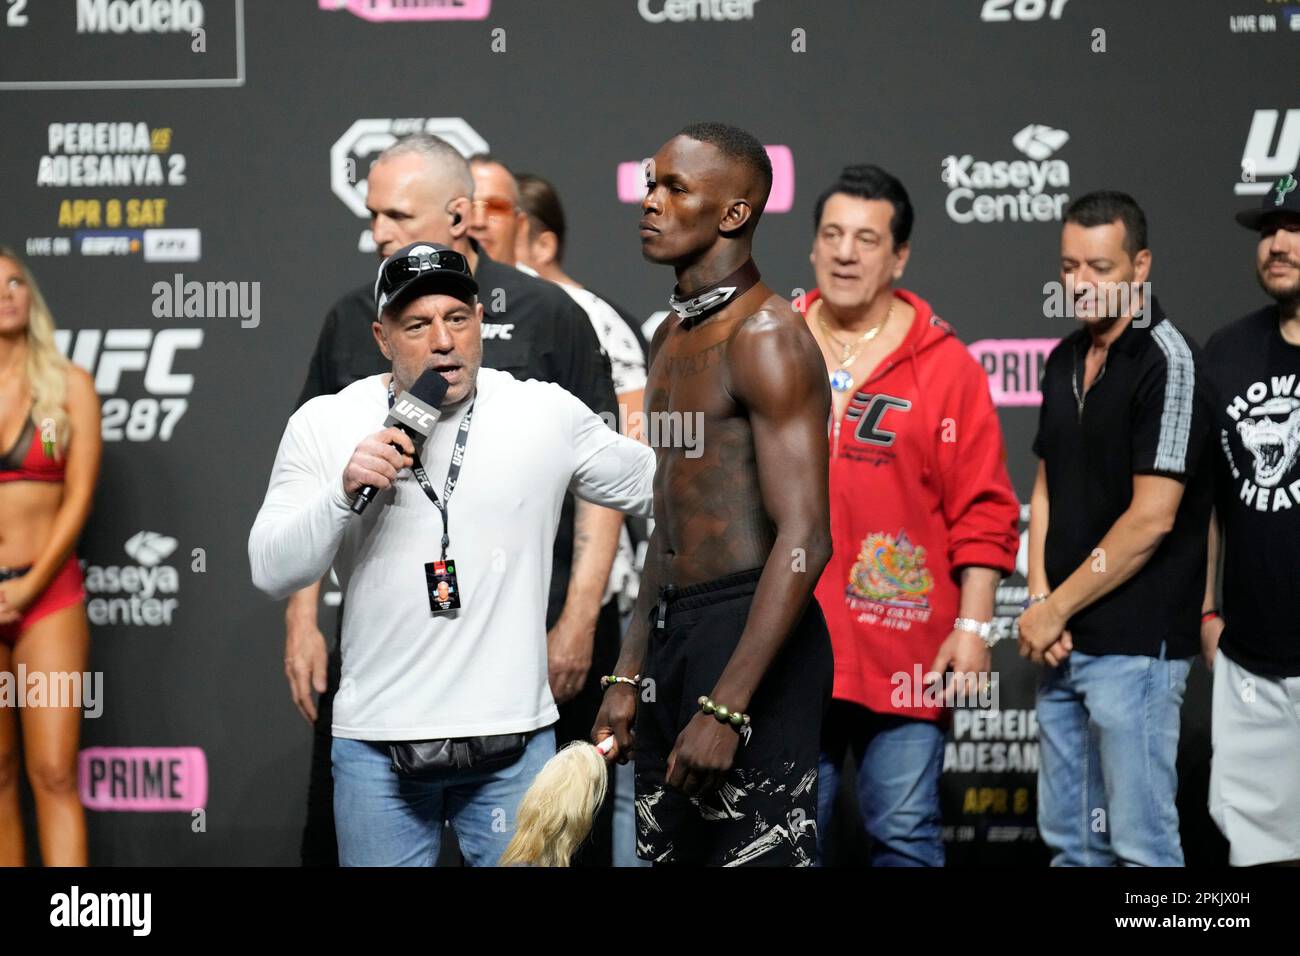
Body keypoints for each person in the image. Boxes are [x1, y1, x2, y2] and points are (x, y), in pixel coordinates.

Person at [249, 243, 654, 867]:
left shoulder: (542, 411)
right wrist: (341, 493)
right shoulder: (327, 423)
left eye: (458, 319)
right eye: (417, 325)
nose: (443, 341)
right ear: (383, 338)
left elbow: (661, 490)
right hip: (377, 749)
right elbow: (272, 569)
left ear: (480, 320)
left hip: (515, 744)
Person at [592, 122, 834, 867]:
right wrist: (629, 672)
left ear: (733, 213)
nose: (650, 202)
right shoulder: (669, 337)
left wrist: (728, 705)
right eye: (649, 183)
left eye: (675, 188)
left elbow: (805, 538)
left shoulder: (767, 336)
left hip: (752, 631)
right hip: (674, 632)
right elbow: (669, 517)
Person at [794, 165, 1019, 866]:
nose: (845, 253)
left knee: (904, 836)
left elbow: (983, 509)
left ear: (899, 258)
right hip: (789, 648)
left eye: (866, 239)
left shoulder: (947, 366)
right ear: (811, 248)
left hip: (907, 649)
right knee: (792, 841)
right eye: (832, 234)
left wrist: (975, 628)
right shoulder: (773, 341)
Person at [1019, 191, 1214, 866]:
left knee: (1142, 849)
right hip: (1063, 643)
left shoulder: (1170, 361)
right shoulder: (1062, 357)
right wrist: (1042, 600)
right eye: (1069, 267)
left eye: (1100, 267)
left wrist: (1056, 606)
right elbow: (1046, 484)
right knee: (1072, 848)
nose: (1080, 284)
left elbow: (1152, 518)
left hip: (1136, 651)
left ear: (1141, 265)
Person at [512, 169, 652, 866]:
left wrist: (583, 608)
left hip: (592, 593)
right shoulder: (486, 313)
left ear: (536, 239)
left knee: (600, 784)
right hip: (515, 596)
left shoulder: (589, 318)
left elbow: (622, 459)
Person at [1202, 175, 1300, 866]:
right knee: (1258, 856)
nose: (1278, 244)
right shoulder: (1228, 352)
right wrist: (1209, 611)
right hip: (1250, 661)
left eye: (1295, 228)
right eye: (1269, 230)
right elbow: (1212, 495)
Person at [0, 247, 101, 866]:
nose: (7, 293)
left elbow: (81, 493)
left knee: (55, 773)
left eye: (15, 282)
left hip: (48, 597)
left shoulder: (68, 385)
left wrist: (31, 584)